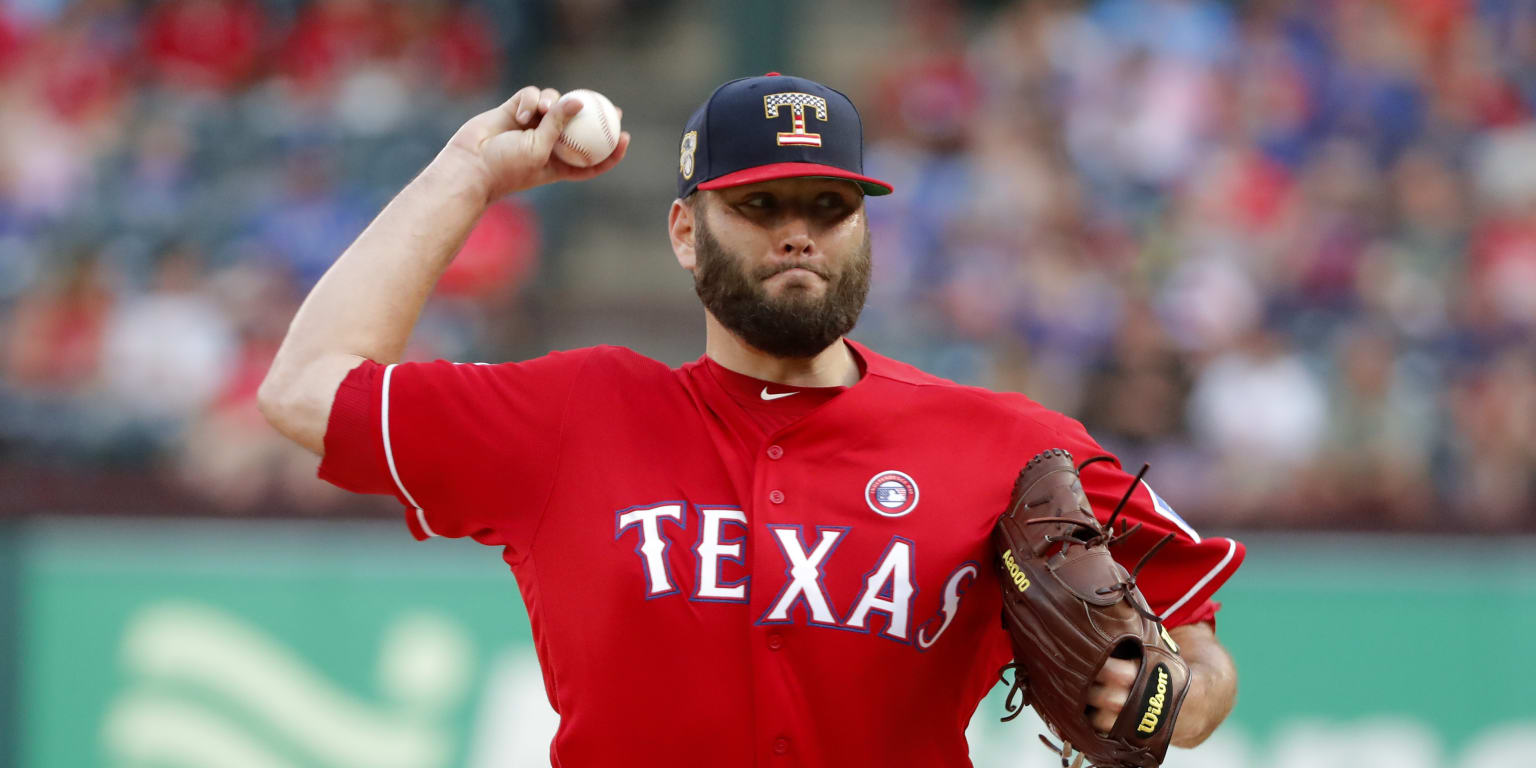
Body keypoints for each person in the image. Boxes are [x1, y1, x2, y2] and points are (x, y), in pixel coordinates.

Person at [258, 73, 1244, 767]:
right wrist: (466, 174)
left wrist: (1161, 696)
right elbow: (305, 388)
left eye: (830, 203)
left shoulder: (1008, 442)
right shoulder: (573, 414)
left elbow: (1195, 660)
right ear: (685, 231)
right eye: (761, 202)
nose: (799, 230)